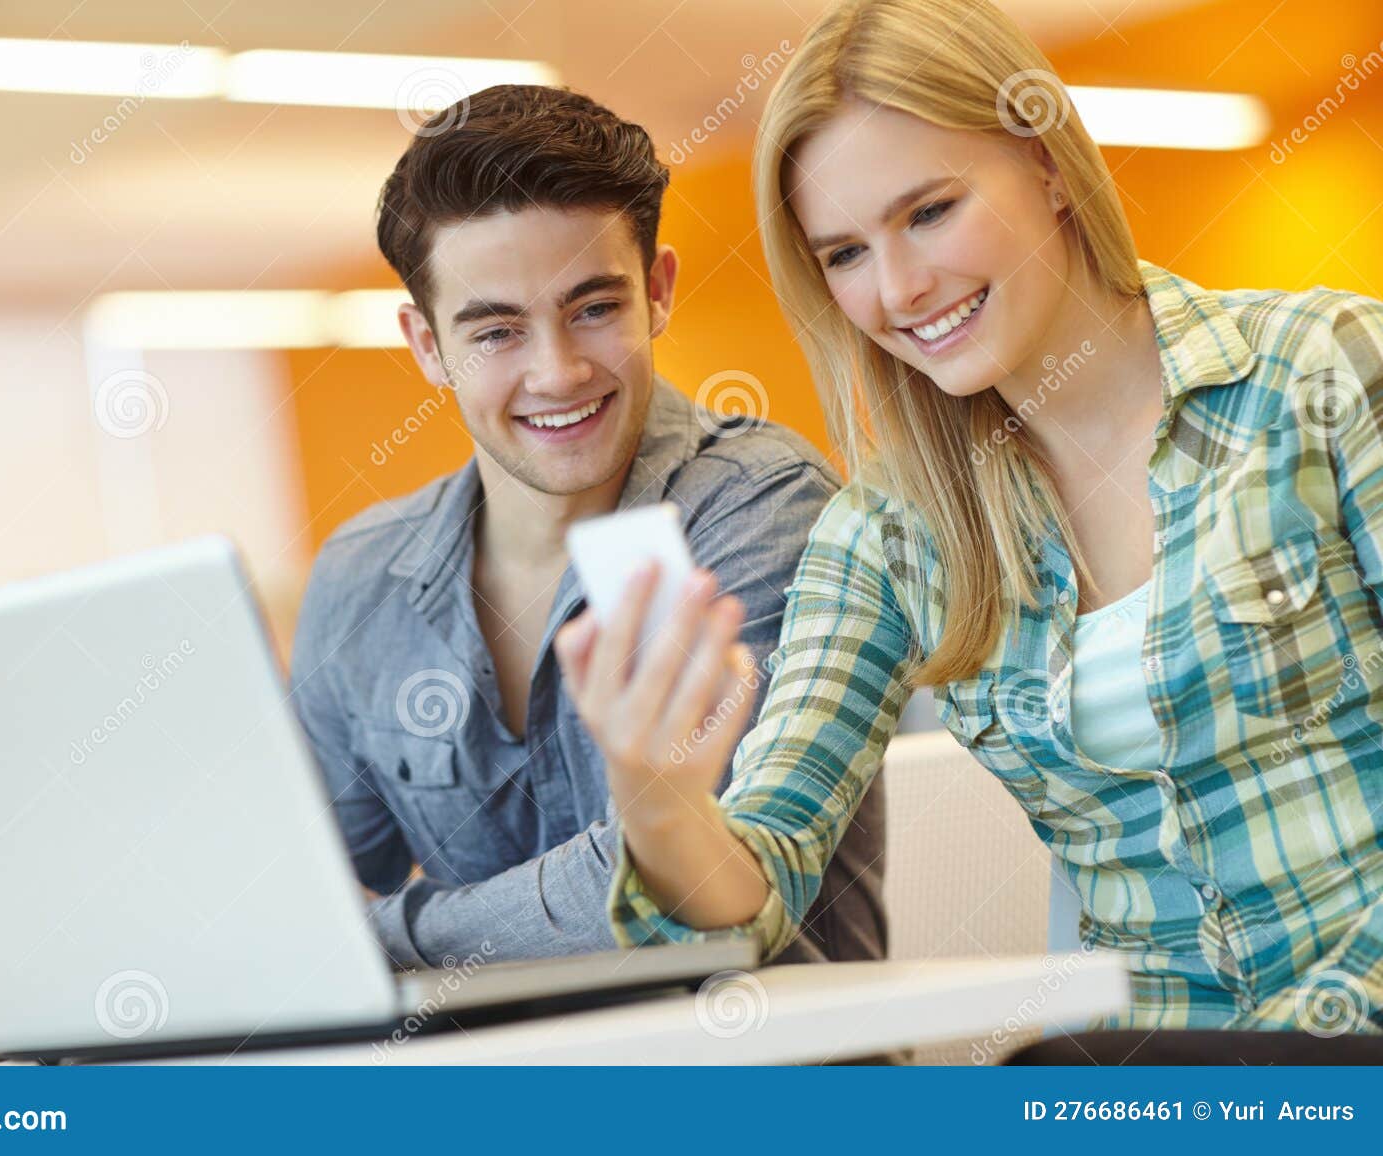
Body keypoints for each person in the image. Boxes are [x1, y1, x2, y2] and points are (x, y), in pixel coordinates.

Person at [556, 0, 1383, 1043]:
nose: (898, 288)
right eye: (844, 253)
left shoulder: (1324, 373)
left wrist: (1292, 1061)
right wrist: (656, 793)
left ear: (1043, 161)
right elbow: (755, 888)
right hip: (1154, 1081)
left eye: (930, 211)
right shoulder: (886, 535)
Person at [290, 84, 887, 970]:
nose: (558, 372)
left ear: (657, 293)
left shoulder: (761, 508)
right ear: (426, 347)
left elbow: (666, 882)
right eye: (495, 333)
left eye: (594, 309)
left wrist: (385, 941)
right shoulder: (361, 579)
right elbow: (301, 899)